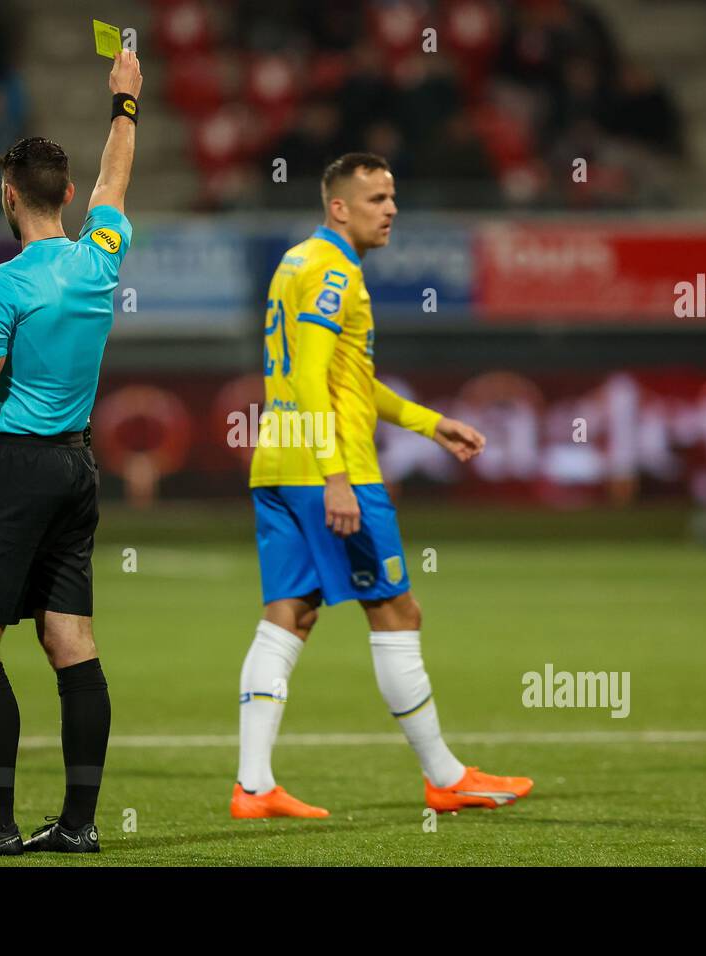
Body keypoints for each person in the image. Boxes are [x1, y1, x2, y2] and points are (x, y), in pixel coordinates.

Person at [235, 152, 534, 818]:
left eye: (392, 196)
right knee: (398, 611)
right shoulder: (335, 271)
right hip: (329, 470)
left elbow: (349, 381)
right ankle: (446, 776)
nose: (391, 208)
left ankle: (253, 785)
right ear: (338, 206)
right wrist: (336, 475)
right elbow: (313, 378)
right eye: (375, 198)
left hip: (278, 462)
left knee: (290, 612)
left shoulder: (296, 262)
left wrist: (431, 424)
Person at [0, 50, 142, 857]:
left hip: (15, 469)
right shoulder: (97, 256)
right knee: (69, 638)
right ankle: (77, 825)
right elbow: (116, 182)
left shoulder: (2, 286)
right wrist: (125, 103)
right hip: (78, 467)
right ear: (68, 197)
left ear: (7, 196)